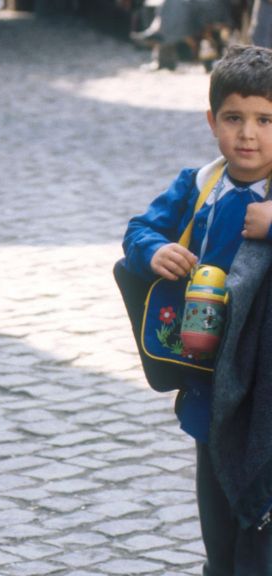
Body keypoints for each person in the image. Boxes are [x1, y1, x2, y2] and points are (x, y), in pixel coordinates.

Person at [122, 45, 272, 574]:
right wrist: (154, 251)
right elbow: (139, 230)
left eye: (264, 120)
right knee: (217, 513)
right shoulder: (199, 186)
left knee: (260, 516)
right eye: (234, 118)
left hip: (263, 384)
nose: (248, 135)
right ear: (212, 121)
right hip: (208, 380)